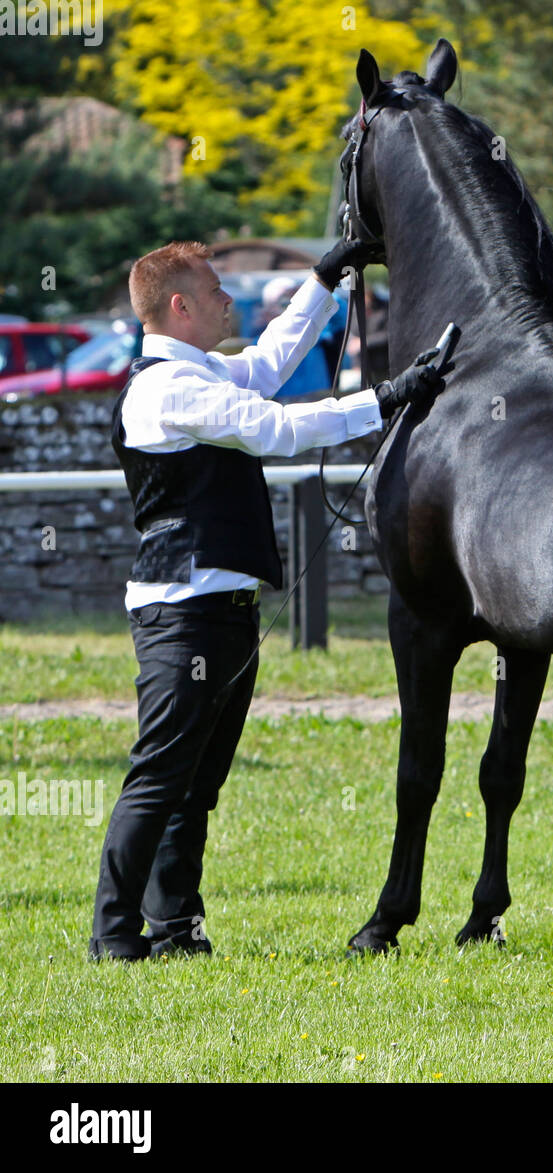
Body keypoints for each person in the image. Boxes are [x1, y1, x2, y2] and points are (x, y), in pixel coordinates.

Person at [89, 239, 449, 962]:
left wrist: (322, 284)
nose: (232, 301)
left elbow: (269, 367)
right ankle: (113, 935)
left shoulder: (202, 372)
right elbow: (277, 427)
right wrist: (386, 398)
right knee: (161, 776)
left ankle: (175, 926)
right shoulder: (169, 390)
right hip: (181, 611)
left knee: (197, 783)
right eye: (218, 291)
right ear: (180, 307)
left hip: (220, 609)